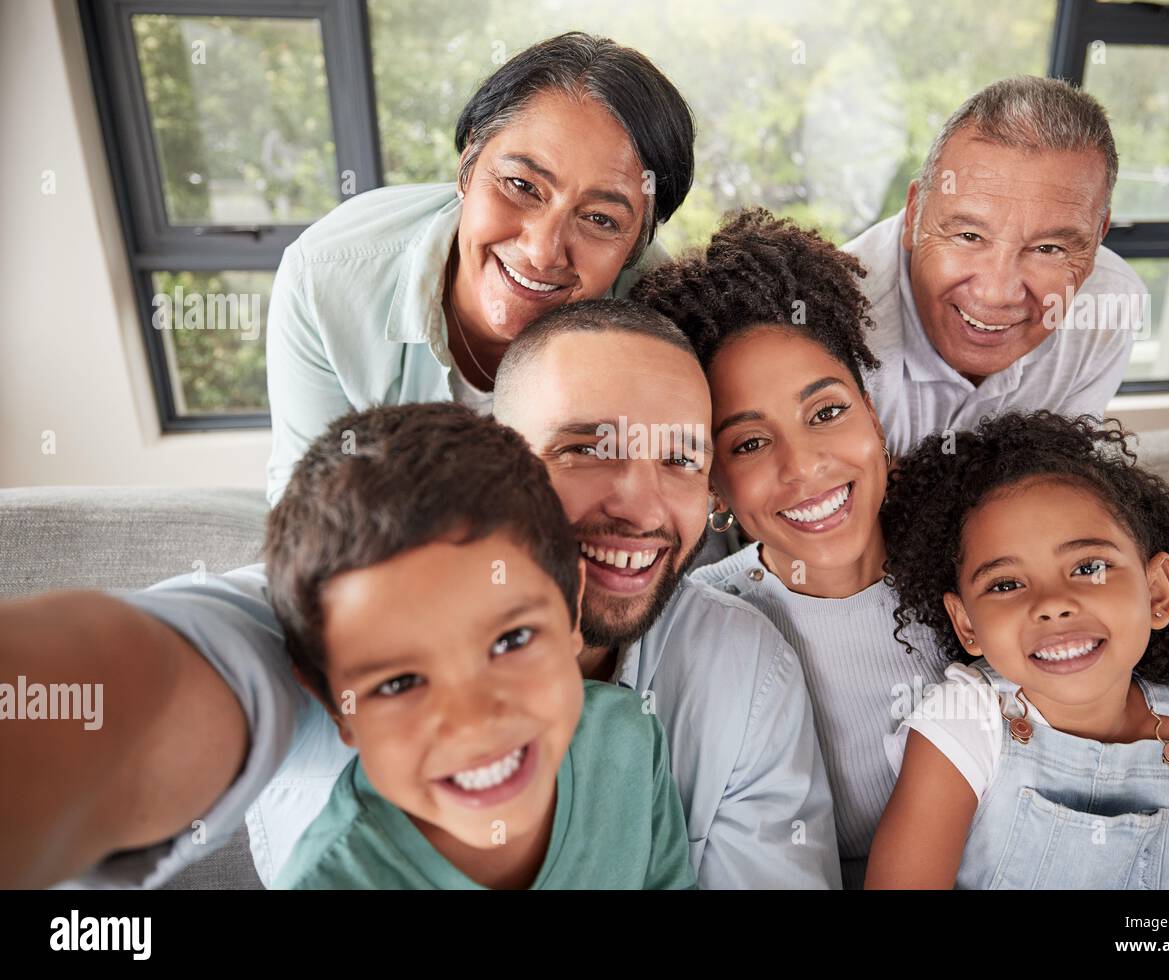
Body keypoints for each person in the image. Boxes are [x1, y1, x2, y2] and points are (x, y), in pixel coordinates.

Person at [0, 300, 838, 891]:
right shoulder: (334, 597)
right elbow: (121, 690)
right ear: (499, 456)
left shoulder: (727, 681)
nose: (641, 505)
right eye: (586, 447)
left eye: (681, 460)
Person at [633, 208, 948, 888]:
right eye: (748, 442)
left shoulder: (972, 575)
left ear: (872, 415)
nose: (802, 467)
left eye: (827, 412)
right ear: (712, 483)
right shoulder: (693, 634)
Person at [264, 402, 694, 889]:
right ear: (333, 705)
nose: (474, 723)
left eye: (511, 640)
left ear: (572, 607)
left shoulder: (628, 739)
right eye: (399, 682)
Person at [263, 31, 694, 503]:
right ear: (468, 163)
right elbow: (307, 510)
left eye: (599, 219)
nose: (543, 251)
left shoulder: (657, 305)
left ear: (637, 243)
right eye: (521, 185)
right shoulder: (326, 277)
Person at [866, 412, 1169, 889]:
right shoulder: (963, 722)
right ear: (966, 624)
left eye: (1088, 568)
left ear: (1158, 592)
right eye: (1006, 584)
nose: (1052, 604)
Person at [841, 76, 1144, 457]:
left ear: (1099, 235)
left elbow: (1055, 484)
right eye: (968, 236)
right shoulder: (834, 319)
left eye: (1048, 248)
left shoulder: (1111, 305)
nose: (995, 293)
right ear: (914, 215)